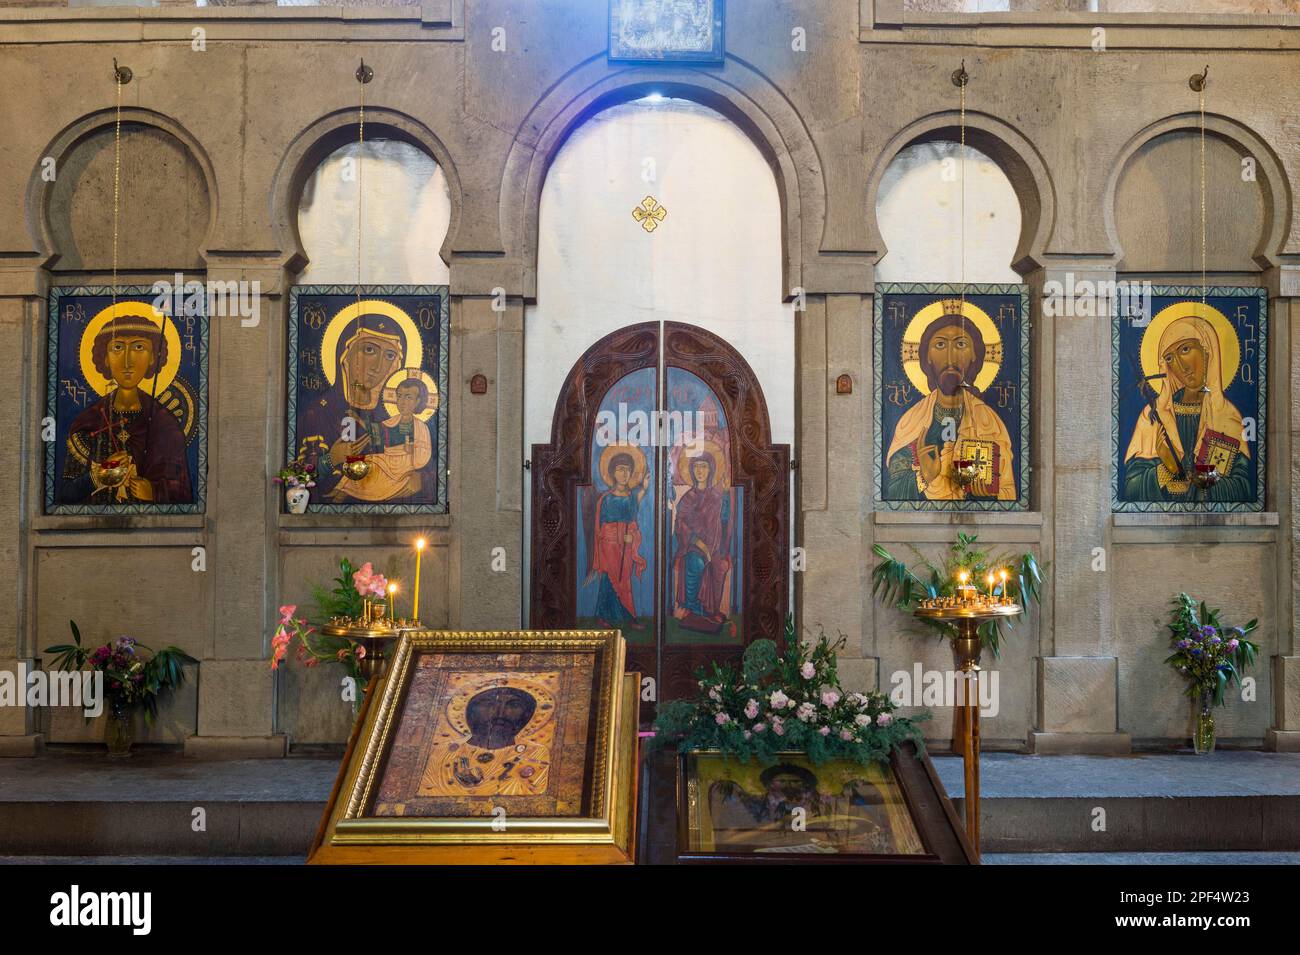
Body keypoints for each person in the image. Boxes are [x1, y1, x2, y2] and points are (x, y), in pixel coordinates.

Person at [885, 304, 1015, 501]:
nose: (950, 356)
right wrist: (924, 477)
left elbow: (1009, 492)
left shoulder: (989, 422)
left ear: (974, 356)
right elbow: (892, 490)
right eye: (940, 345)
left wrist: (989, 492)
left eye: (961, 344)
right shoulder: (911, 422)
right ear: (926, 356)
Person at [60, 314, 191, 504]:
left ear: (153, 357)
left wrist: (154, 491)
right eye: (117, 347)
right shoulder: (87, 423)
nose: (127, 361)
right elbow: (65, 495)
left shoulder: (165, 424)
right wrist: (97, 476)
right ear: (105, 358)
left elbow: (183, 492)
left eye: (139, 347)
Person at [1124, 313, 1250, 502]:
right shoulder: (1153, 414)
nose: (1181, 366)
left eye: (1185, 349)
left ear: (1207, 349)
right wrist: (1164, 469)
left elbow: (1242, 487)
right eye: (1169, 358)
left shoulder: (1226, 415)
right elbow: (1130, 487)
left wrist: (1200, 479)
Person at [298, 312, 405, 499]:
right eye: (369, 350)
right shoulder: (318, 413)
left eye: (389, 355)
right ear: (345, 355)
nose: (378, 367)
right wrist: (332, 459)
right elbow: (300, 478)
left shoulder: (392, 415)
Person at [330, 377, 433, 501]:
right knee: (364, 462)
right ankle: (339, 491)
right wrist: (358, 419)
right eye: (399, 396)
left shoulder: (421, 427)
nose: (402, 402)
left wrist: (413, 450)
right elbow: (376, 432)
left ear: (418, 401)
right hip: (387, 459)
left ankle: (344, 494)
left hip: (404, 465)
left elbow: (425, 451)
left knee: (375, 477)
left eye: (408, 397)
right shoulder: (392, 421)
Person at [586, 451, 648, 631]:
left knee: (625, 581)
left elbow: (633, 520)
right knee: (608, 580)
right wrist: (617, 536)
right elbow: (602, 527)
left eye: (628, 470)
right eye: (620, 470)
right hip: (609, 546)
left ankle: (629, 616)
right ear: (613, 472)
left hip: (625, 546)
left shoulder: (631, 497)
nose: (624, 474)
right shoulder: (606, 499)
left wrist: (631, 536)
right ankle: (602, 616)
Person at [671, 453, 732, 633]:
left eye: (704, 466)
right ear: (691, 470)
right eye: (696, 466)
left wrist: (727, 493)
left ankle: (710, 610)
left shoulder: (716, 497)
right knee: (695, 563)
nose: (700, 470)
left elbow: (724, 517)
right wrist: (698, 543)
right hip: (692, 546)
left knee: (720, 565)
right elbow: (680, 524)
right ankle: (692, 607)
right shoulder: (688, 498)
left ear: (710, 470)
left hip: (713, 546)